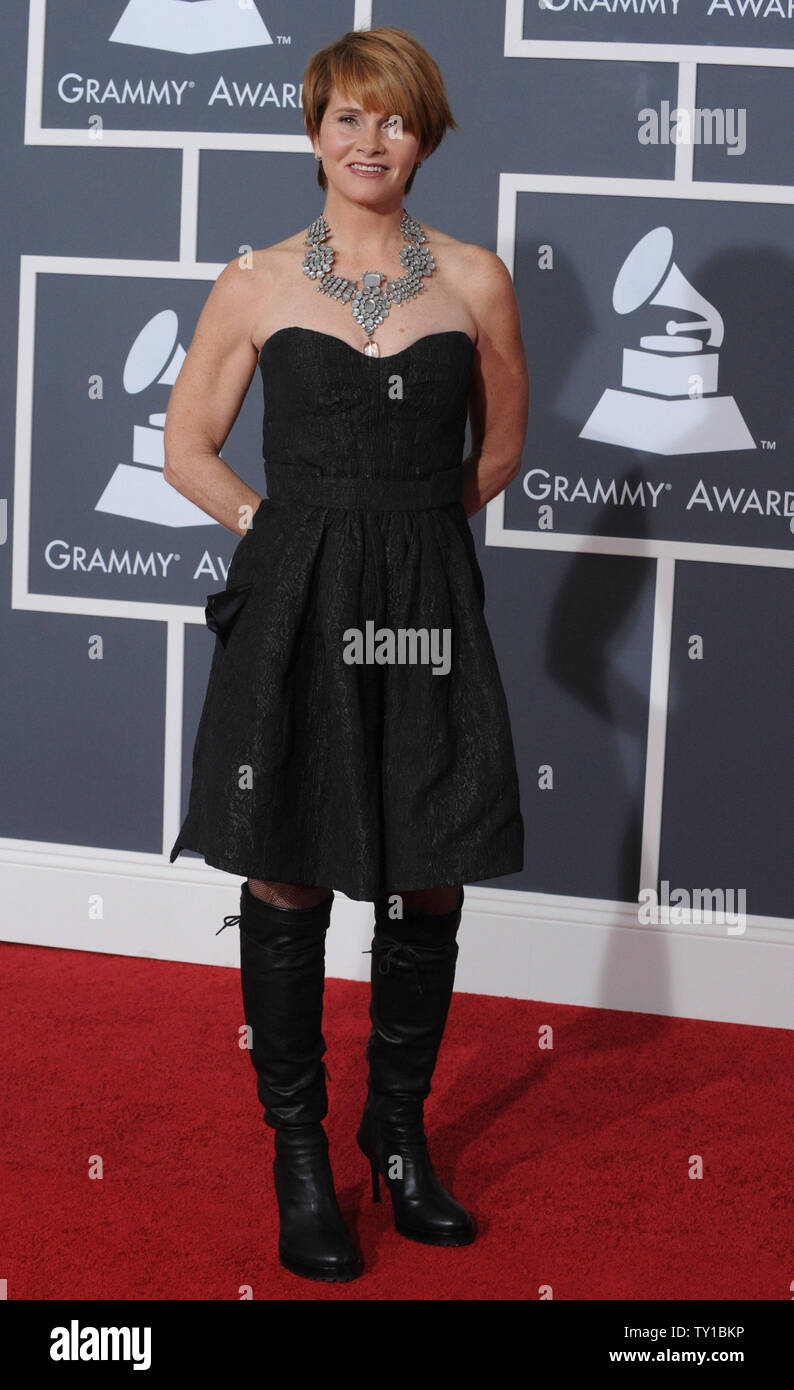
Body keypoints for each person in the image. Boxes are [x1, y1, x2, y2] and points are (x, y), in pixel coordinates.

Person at [164, 25, 528, 1284]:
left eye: (394, 121)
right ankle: (301, 1155)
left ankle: (400, 1132)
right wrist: (294, 535)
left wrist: (405, 538)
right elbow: (188, 450)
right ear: (313, 130)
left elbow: (496, 452)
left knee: (429, 869)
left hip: (426, 599)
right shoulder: (255, 281)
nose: (368, 142)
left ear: (423, 136)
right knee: (287, 870)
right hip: (295, 606)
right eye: (346, 119)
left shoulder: (475, 278)